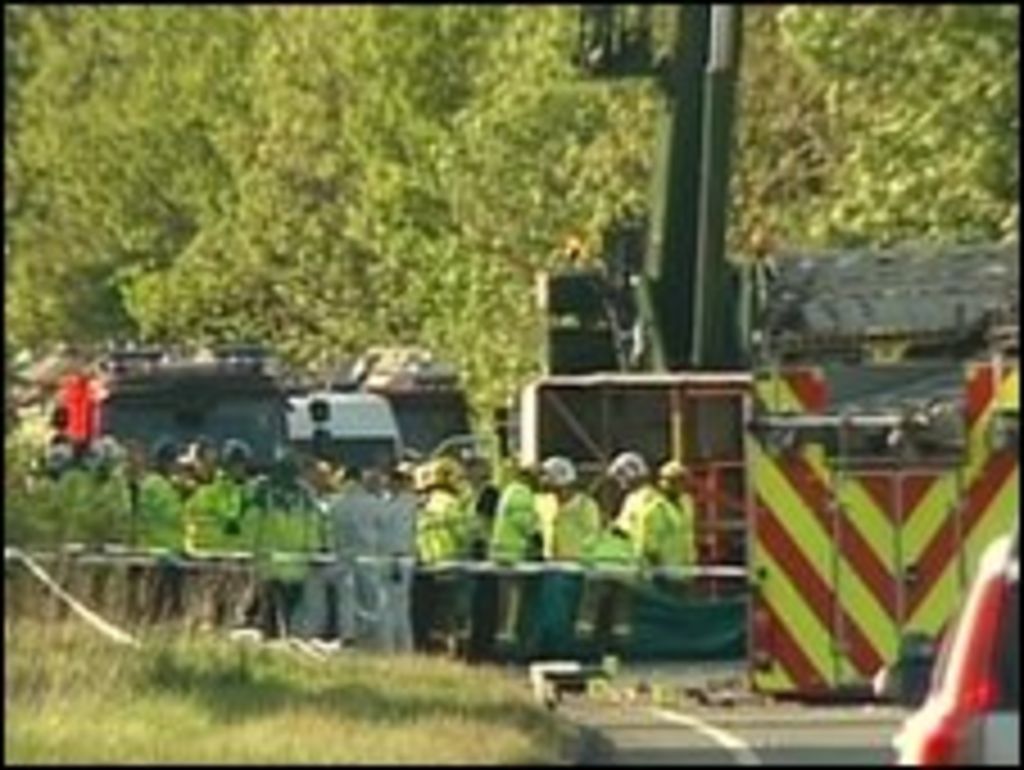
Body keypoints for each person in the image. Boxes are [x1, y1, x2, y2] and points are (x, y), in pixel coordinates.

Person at [414, 457, 474, 656]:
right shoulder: (451, 503)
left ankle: (435, 650)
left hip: (428, 565)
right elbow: (463, 534)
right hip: (452, 562)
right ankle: (458, 651)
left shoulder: (424, 505)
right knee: (457, 613)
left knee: (436, 612)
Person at [488, 460, 543, 650]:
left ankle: (504, 634)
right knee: (512, 598)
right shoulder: (522, 493)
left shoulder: (510, 490)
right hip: (511, 554)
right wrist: (536, 535)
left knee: (505, 597)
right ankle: (507, 637)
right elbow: (523, 521)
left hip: (502, 550)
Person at [537, 456, 601, 562]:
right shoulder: (544, 502)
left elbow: (592, 537)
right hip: (549, 565)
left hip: (576, 567)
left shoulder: (585, 506)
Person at [657, 460, 698, 573]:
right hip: (664, 571)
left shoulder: (687, 503)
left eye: (681, 480)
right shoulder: (657, 507)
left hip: (686, 569)